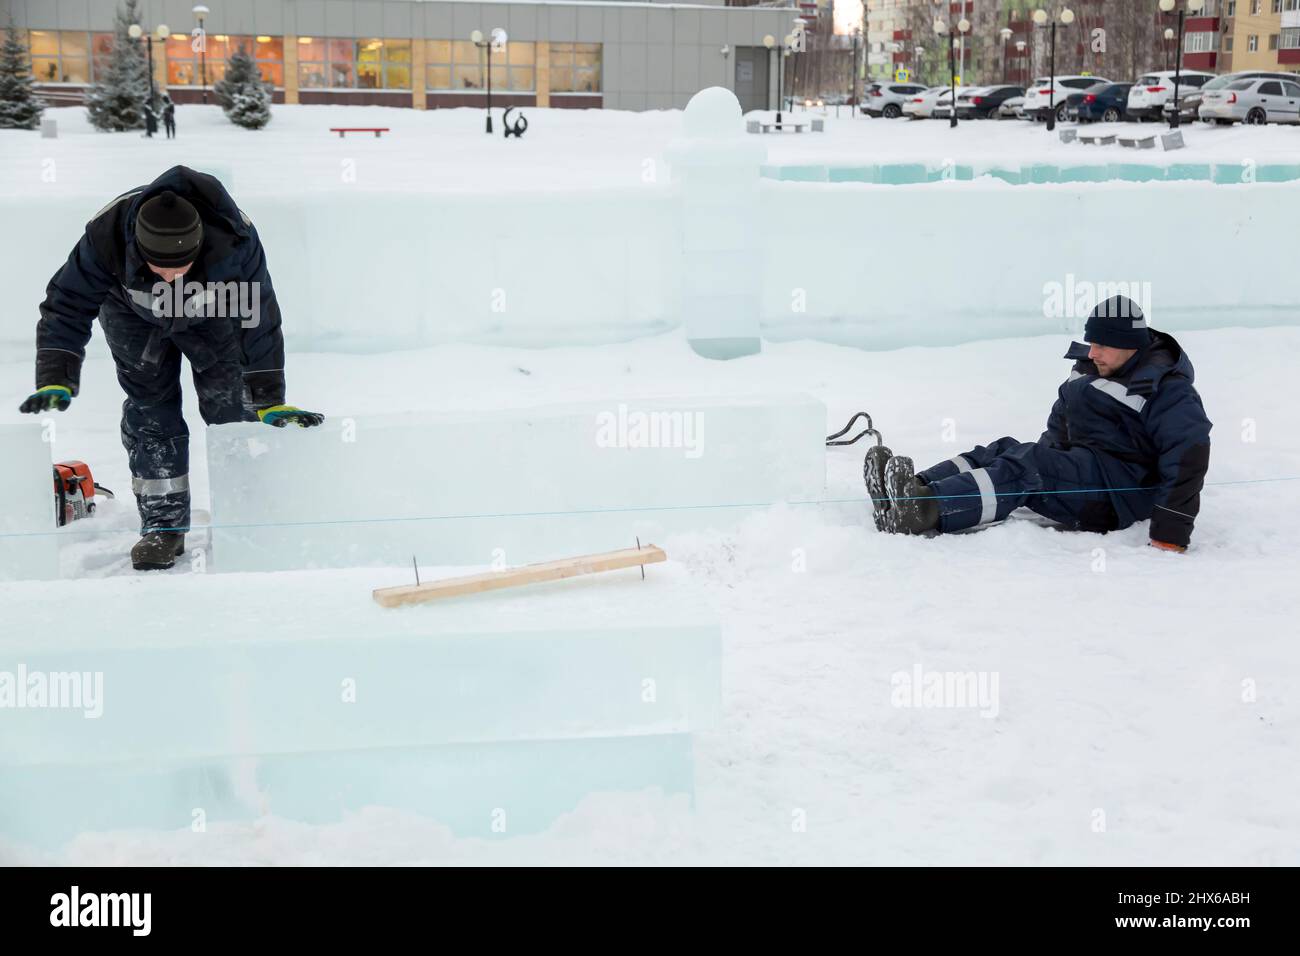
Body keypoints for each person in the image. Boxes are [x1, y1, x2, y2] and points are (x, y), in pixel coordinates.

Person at [18, 165, 324, 570]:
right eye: (160, 266)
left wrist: (268, 397)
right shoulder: (106, 234)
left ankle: (248, 514)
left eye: (181, 264)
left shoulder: (235, 241)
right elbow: (67, 303)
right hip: (132, 314)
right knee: (150, 409)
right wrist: (56, 374)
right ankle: (163, 527)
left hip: (213, 314)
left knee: (232, 407)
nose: (172, 275)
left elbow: (260, 318)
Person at [869, 295, 1212, 552]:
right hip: (1089, 471)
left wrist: (1170, 531)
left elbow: (1188, 456)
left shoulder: (1167, 389)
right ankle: (911, 488)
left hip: (1119, 494)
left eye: (1103, 345)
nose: (1093, 352)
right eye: (1092, 342)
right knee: (1007, 450)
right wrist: (1048, 465)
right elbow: (1060, 427)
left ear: (1131, 347)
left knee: (1027, 466)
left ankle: (924, 510)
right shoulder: (1093, 370)